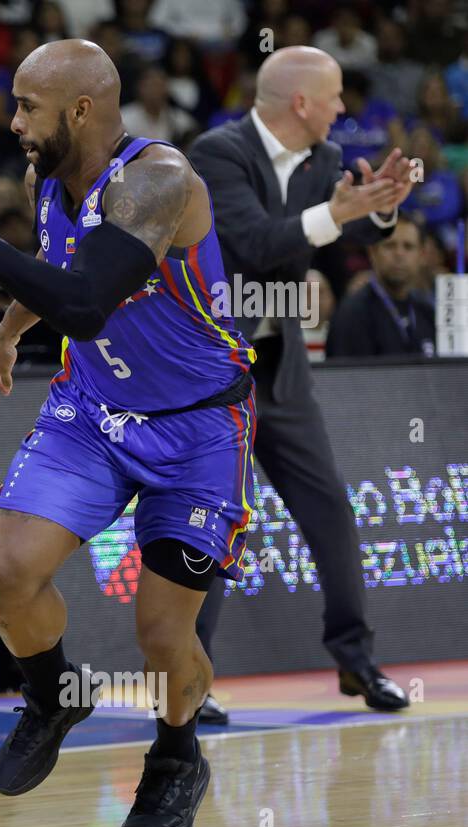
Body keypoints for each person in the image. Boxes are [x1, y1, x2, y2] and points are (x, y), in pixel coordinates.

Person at [0, 39, 258, 827]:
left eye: (26, 107)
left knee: (163, 634)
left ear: (80, 110)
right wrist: (6, 332)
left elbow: (84, 302)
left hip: (198, 427)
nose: (12, 123)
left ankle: (176, 757)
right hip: (94, 411)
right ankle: (53, 694)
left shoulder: (159, 182)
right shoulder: (48, 177)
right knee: (7, 569)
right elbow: (56, 262)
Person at [187, 46, 413, 716]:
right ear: (303, 103)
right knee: (212, 526)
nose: (345, 109)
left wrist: (382, 208)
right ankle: (189, 679)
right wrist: (341, 215)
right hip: (209, 370)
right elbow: (256, 244)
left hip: (279, 367)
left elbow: (354, 232)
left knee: (331, 513)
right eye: (337, 96)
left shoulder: (324, 161)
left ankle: (356, 661)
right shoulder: (215, 154)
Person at [328, 217, 435, 358]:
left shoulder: (428, 311)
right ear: (372, 252)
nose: (399, 254)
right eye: (390, 245)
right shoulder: (352, 314)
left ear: (422, 256)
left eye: (408, 246)